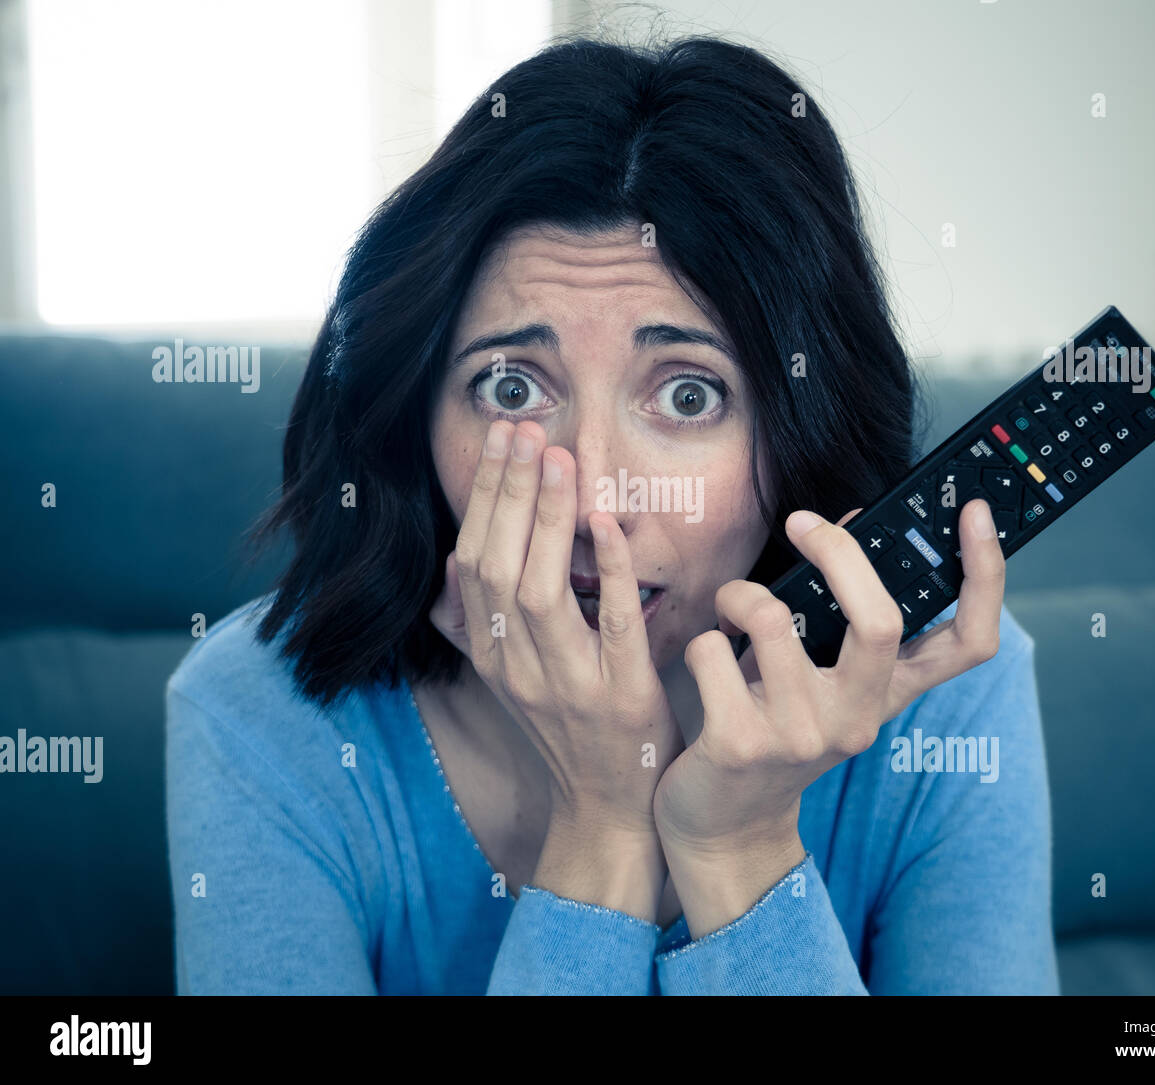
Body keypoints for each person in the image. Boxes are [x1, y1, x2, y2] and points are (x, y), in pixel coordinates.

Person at [165, 33, 1058, 995]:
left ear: (802, 425)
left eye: (687, 396)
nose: (598, 500)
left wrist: (740, 850)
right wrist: (602, 826)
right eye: (512, 388)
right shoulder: (258, 714)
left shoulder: (946, 685)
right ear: (413, 416)